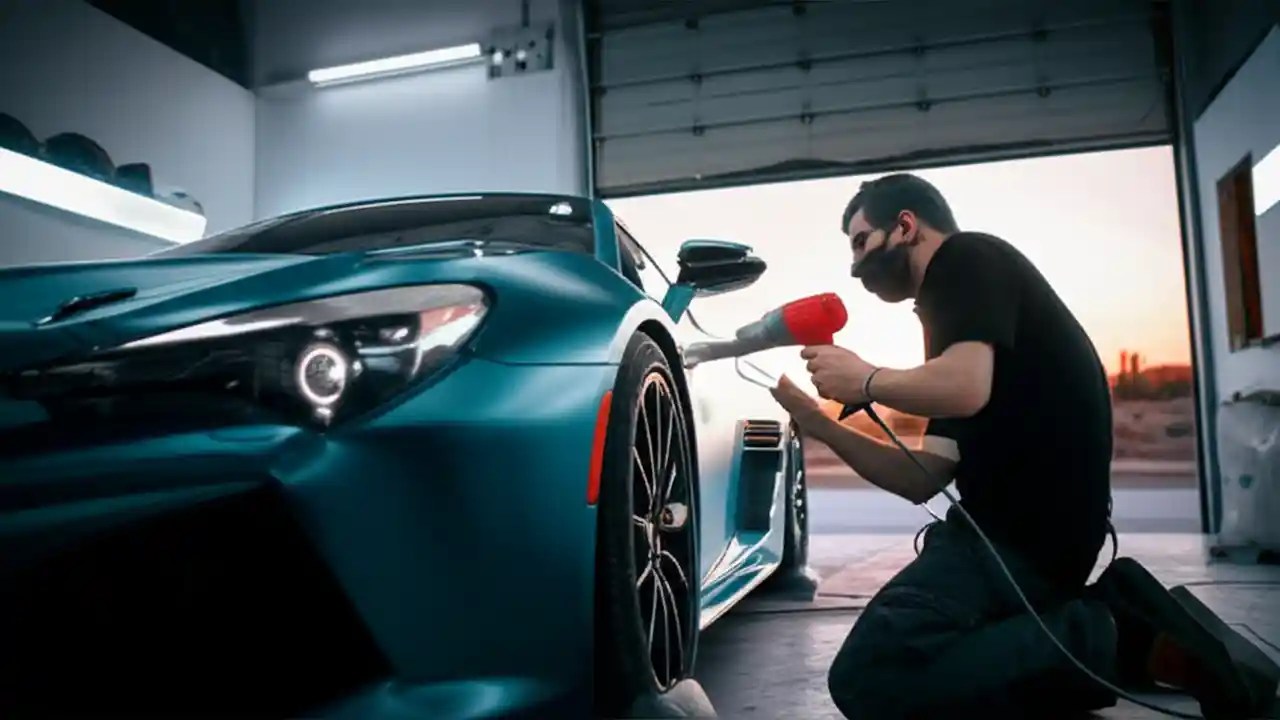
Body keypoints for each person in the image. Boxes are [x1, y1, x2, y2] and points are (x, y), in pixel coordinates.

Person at [768, 173, 1276, 719]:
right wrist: (819, 424)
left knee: (871, 675)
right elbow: (923, 475)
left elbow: (965, 387)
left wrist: (865, 378)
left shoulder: (964, 259)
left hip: (1020, 546)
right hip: (1023, 545)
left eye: (860, 240)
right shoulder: (961, 319)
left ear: (906, 227)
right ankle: (1114, 623)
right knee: (920, 664)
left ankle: (1111, 634)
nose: (854, 264)